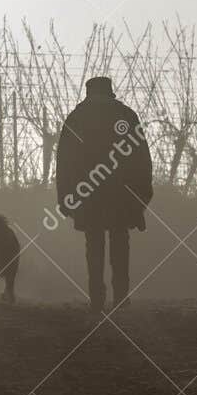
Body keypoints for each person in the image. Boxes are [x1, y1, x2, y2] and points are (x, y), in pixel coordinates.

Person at [55, 77, 153, 313]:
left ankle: (96, 298)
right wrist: (142, 194)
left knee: (94, 242)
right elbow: (141, 158)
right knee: (120, 241)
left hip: (88, 192)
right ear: (110, 92)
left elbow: (64, 162)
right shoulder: (126, 116)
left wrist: (65, 197)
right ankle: (121, 296)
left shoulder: (76, 118)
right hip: (121, 193)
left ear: (88, 92)